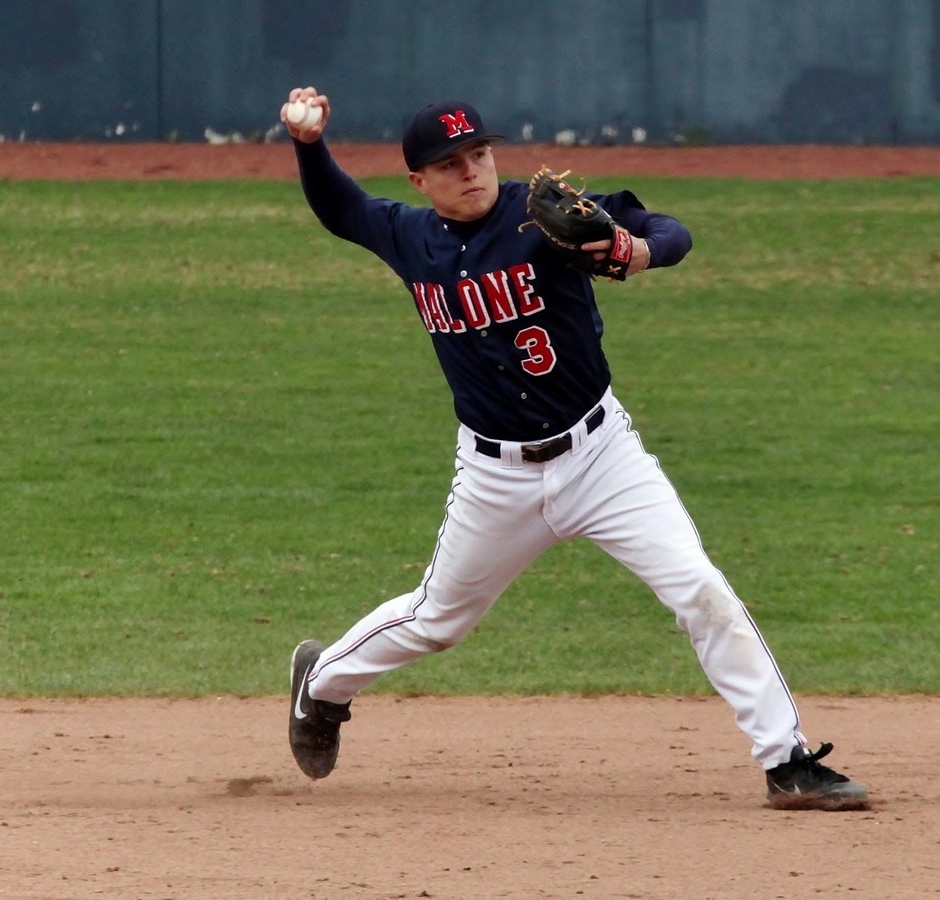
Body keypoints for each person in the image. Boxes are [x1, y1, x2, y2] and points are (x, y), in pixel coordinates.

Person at [280, 85, 870, 811]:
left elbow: (670, 230)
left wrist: (637, 249)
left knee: (700, 588)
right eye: (451, 162)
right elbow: (342, 209)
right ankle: (322, 686)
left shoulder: (543, 214)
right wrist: (308, 145)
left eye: (480, 153)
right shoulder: (408, 235)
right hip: (496, 478)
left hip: (602, 458)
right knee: (437, 620)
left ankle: (788, 762)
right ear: (420, 180)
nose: (472, 170)